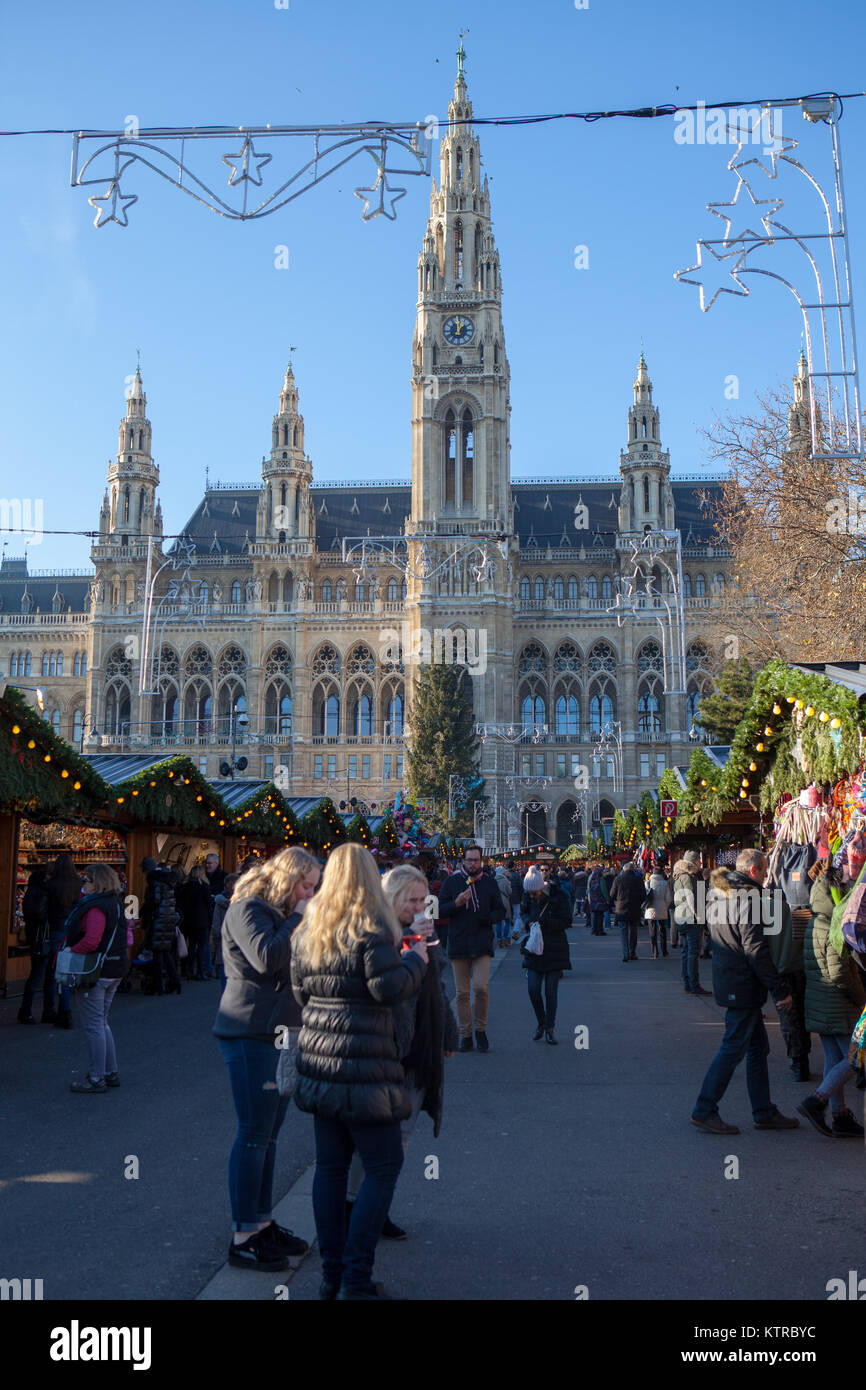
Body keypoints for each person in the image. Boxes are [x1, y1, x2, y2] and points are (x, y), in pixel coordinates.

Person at [291, 843, 427, 1300]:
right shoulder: (372, 926)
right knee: (383, 1166)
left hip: (320, 1060)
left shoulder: (310, 926)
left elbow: (300, 994)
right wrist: (415, 960)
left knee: (329, 1169)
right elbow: (387, 990)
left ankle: (332, 1275)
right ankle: (356, 1277)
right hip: (366, 1063)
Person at [213, 845, 320, 1272]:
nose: (310, 894)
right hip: (249, 1032)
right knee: (254, 1133)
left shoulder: (279, 913)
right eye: (306, 887)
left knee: (269, 1135)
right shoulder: (247, 909)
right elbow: (267, 957)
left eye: (314, 888)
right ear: (288, 881)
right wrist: (300, 917)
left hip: (281, 1033)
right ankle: (243, 1235)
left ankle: (261, 1221)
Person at [345, 864, 458, 1240]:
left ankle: (378, 1208)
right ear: (392, 898)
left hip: (421, 1043)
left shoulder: (420, 930)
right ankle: (355, 1205)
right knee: (379, 1140)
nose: (420, 907)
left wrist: (449, 1034)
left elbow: (436, 983)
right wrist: (410, 941)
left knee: (402, 1136)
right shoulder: (376, 933)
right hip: (388, 1047)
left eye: (423, 900)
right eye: (412, 900)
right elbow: (386, 987)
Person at [691, 848, 798, 1135]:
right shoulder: (746, 898)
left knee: (755, 1048)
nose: (766, 877)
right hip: (742, 982)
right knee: (734, 1047)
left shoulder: (719, 893)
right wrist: (778, 989)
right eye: (764, 871)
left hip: (730, 979)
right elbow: (755, 949)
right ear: (754, 871)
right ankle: (705, 1107)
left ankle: (763, 1111)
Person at [797, 860, 866, 1137]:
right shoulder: (833, 925)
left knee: (834, 1057)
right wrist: (861, 999)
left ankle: (839, 1116)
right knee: (856, 1058)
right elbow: (839, 974)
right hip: (838, 1005)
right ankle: (818, 1100)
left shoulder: (816, 920)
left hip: (820, 1004)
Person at [66, 864, 127, 1093]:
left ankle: (96, 1076)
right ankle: (109, 1071)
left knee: (94, 1025)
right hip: (115, 967)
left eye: (86, 880)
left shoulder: (96, 907)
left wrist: (70, 952)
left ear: (96, 882)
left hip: (97, 970)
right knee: (101, 1022)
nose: (84, 884)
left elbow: (92, 940)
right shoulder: (116, 903)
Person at [438, 844, 504, 1052]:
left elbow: (501, 911)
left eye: (476, 860)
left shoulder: (489, 883)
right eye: (469, 860)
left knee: (481, 988)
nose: (473, 864)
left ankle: (480, 1030)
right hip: (459, 942)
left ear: (481, 861)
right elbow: (437, 911)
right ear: (463, 861)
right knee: (462, 993)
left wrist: (488, 918)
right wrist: (455, 904)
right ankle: (465, 1034)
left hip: (482, 942)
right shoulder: (451, 882)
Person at [520, 865, 572, 1044]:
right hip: (535, 950)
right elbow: (523, 912)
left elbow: (567, 920)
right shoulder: (527, 895)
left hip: (554, 948)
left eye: (534, 893)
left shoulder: (559, 895)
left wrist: (546, 923)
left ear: (541, 887)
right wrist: (529, 923)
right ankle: (541, 1022)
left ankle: (550, 1027)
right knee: (533, 989)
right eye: (530, 894)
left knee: (551, 991)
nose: (532, 896)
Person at [44, 852, 84, 1028]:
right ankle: (65, 1009)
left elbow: (44, 908)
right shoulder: (78, 883)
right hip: (71, 930)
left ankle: (51, 1010)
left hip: (55, 928)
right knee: (65, 971)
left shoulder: (51, 885)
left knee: (53, 972)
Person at [140, 858, 182, 996]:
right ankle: (175, 982)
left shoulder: (155, 881)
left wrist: (143, 912)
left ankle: (158, 985)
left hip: (158, 918)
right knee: (165, 951)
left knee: (157, 952)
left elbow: (154, 901)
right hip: (168, 918)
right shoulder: (167, 879)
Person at [672, 851, 711, 995]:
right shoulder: (689, 877)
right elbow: (690, 898)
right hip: (692, 918)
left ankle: (687, 982)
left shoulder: (679, 876)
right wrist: (698, 915)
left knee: (686, 951)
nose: (701, 863)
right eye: (699, 861)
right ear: (693, 862)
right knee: (693, 952)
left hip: (682, 917)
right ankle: (694, 984)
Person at [17, 865, 50, 1024]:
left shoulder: (31, 892)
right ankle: (28, 1011)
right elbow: (40, 914)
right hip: (41, 938)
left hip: (34, 937)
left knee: (35, 975)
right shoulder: (43, 893)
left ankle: (26, 1010)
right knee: (38, 975)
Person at [178, 864, 215, 980]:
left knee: (191, 945)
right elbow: (209, 904)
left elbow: (181, 903)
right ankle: (200, 971)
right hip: (202, 921)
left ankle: (189, 970)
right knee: (201, 946)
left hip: (189, 920)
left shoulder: (185, 886)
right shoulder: (204, 886)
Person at [611, 859, 647, 962]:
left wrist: (617, 901)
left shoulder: (618, 879)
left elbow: (612, 894)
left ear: (624, 869)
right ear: (633, 870)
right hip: (635, 909)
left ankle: (625, 954)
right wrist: (638, 903)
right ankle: (632, 952)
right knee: (633, 931)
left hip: (621, 909)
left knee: (623, 932)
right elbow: (643, 895)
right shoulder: (638, 879)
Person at [211, 872, 239, 989]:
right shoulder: (243, 901)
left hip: (225, 938)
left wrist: (216, 936)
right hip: (237, 939)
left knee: (224, 968)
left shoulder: (219, 901)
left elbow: (216, 922)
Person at [645, 861, 672, 960]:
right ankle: (664, 950)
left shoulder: (648, 883)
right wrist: (665, 905)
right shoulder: (665, 883)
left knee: (652, 931)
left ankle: (654, 951)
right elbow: (669, 898)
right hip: (662, 907)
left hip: (650, 908)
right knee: (662, 930)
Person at [493, 861, 514, 947]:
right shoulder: (505, 880)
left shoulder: (493, 880)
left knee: (498, 922)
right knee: (507, 921)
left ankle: (499, 940)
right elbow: (510, 892)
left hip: (496, 902)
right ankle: (505, 939)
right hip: (505, 902)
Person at [586, 862, 608, 936]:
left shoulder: (591, 878)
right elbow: (604, 890)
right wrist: (607, 899)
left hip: (593, 899)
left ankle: (594, 930)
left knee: (594, 915)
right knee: (600, 916)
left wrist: (589, 897)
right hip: (600, 899)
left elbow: (588, 888)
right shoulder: (601, 879)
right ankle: (600, 931)